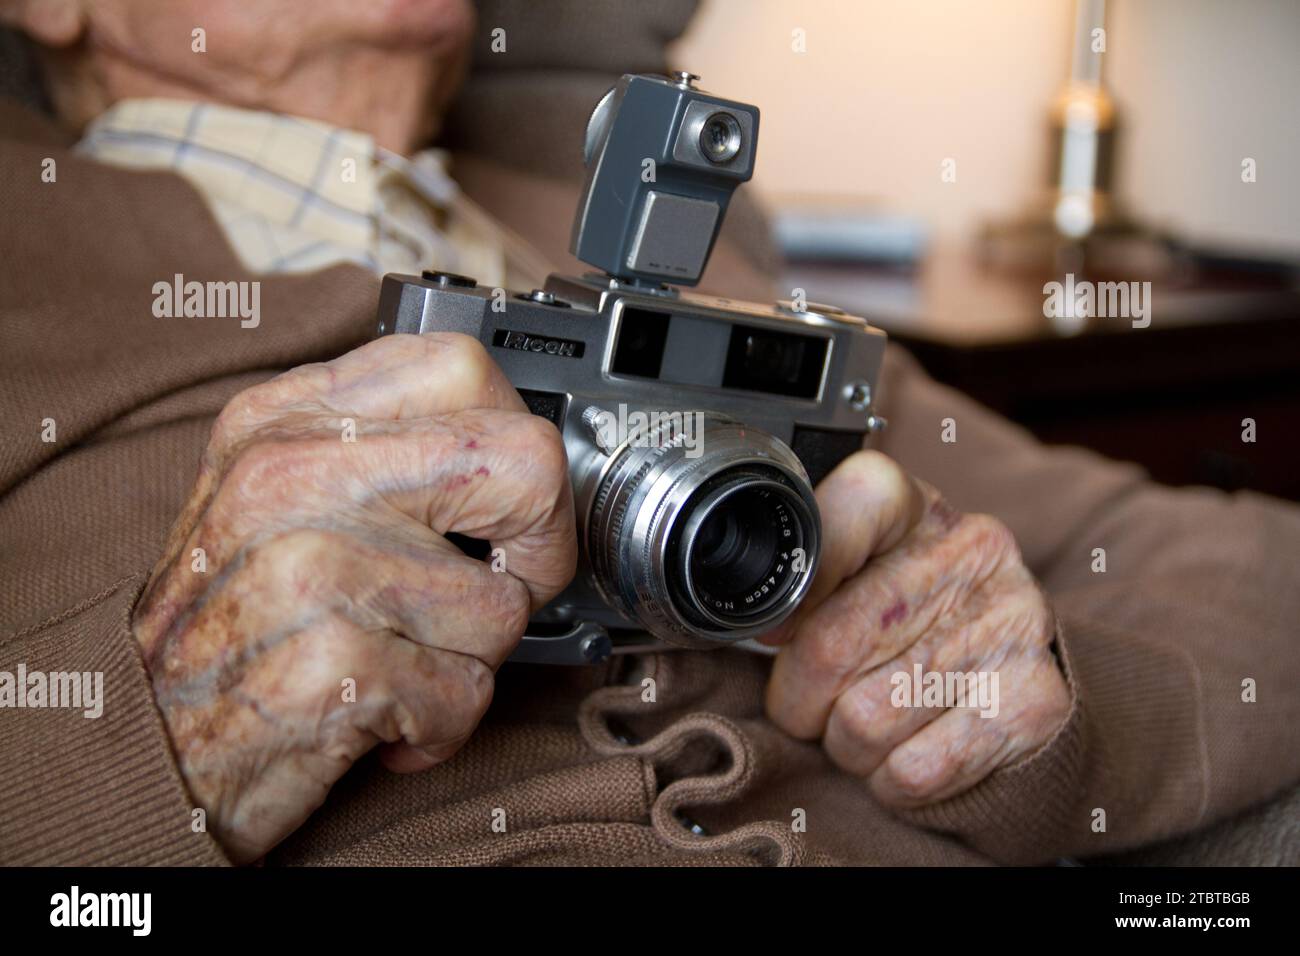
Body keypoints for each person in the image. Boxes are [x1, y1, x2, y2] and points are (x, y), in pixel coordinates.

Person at [1, 0, 1296, 866]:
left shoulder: (708, 256)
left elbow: (1247, 566)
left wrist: (1046, 714)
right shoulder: (34, 257)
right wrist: (155, 747)